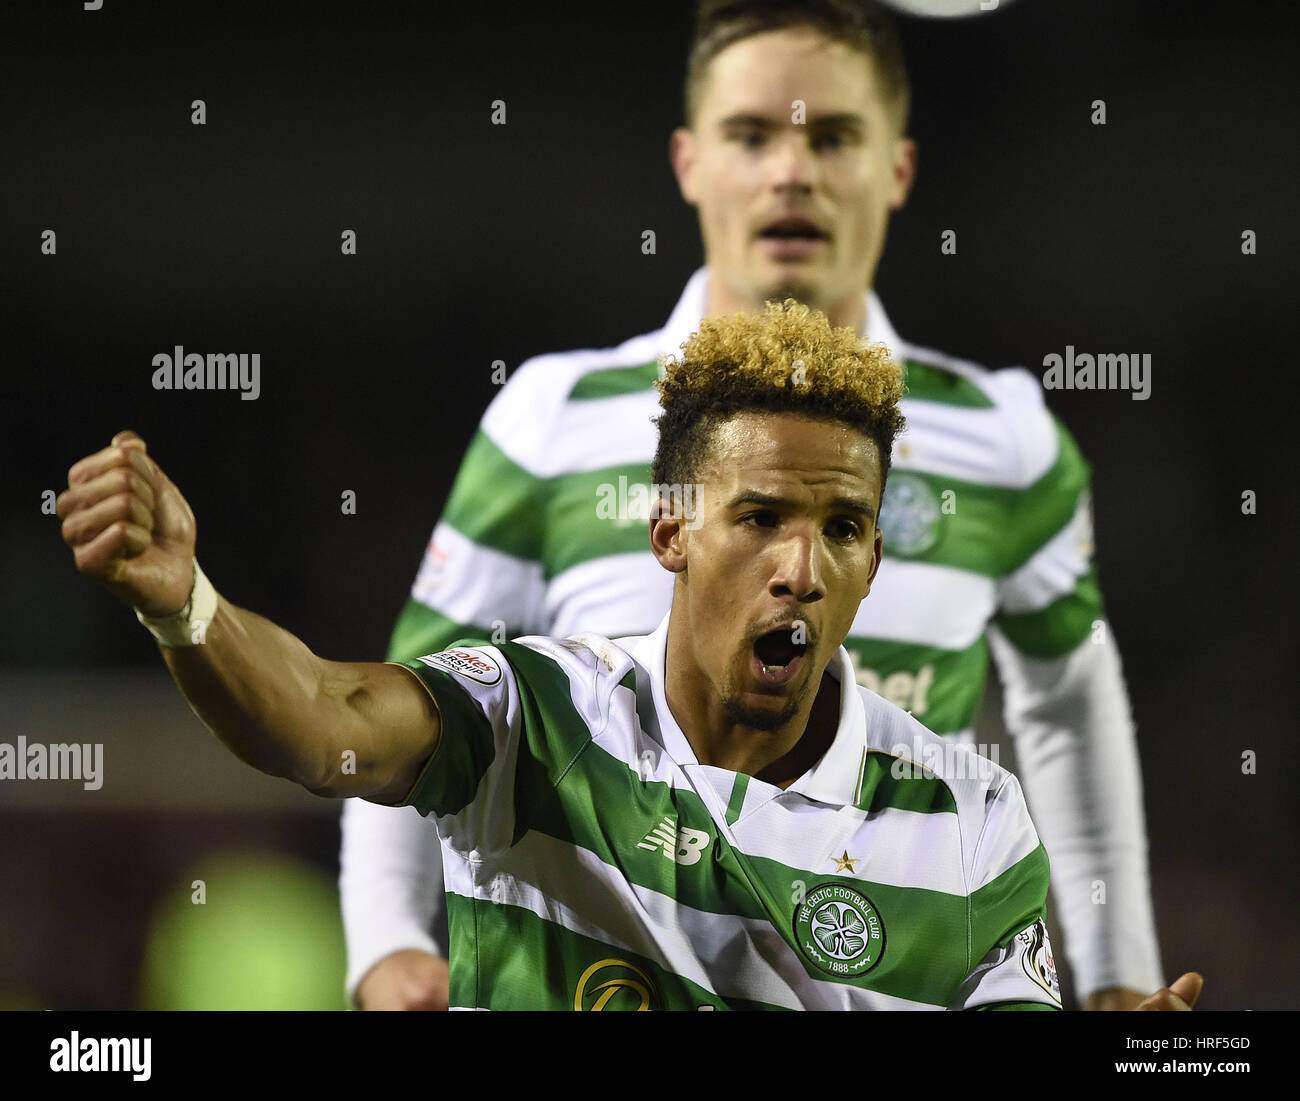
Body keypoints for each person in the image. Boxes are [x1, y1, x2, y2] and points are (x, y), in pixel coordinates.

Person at [342, 0, 1164, 1012]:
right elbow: (410, 693)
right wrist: (385, 946)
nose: (791, 170)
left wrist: (1120, 979)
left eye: (832, 137)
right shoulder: (551, 418)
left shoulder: (1004, 441)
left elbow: (1070, 710)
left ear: (897, 169)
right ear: (688, 164)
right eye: (752, 134)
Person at [59, 304, 1110, 1008]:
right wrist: (188, 605)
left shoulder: (970, 818)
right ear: (669, 535)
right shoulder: (538, 713)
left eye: (842, 528)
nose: (801, 567)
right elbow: (320, 720)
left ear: (874, 557)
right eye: (757, 518)